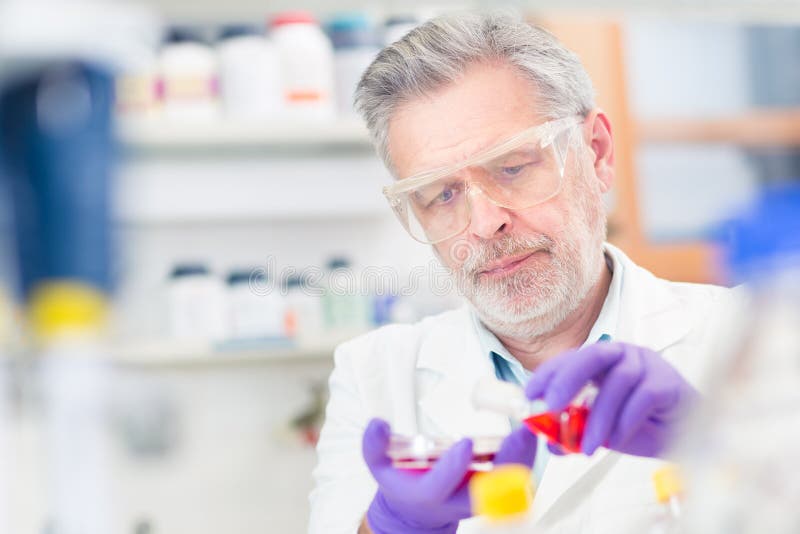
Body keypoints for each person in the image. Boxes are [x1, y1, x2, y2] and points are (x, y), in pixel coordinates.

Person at [309, 11, 740, 534]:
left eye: (511, 168)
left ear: (597, 153)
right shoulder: (373, 374)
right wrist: (388, 526)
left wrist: (724, 448)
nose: (485, 223)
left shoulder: (750, 336)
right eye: (440, 194)